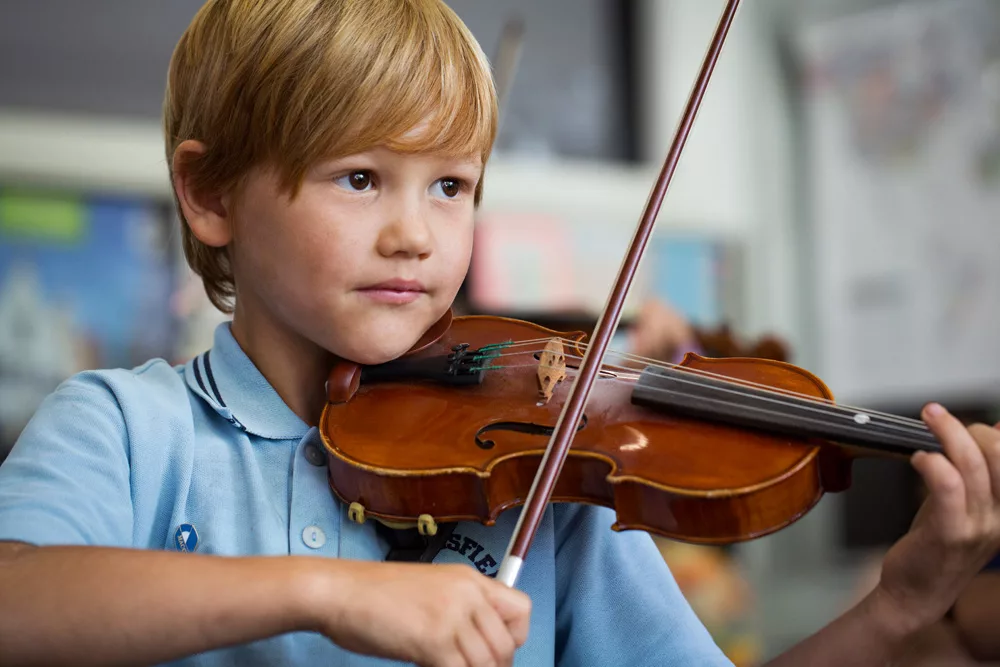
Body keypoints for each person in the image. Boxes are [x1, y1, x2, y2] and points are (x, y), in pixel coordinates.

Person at [1, 2, 1000, 665]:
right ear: (210, 193)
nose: (414, 232)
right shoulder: (127, 430)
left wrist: (898, 609)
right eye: (360, 177)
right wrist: (327, 593)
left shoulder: (542, 477)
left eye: (451, 186)